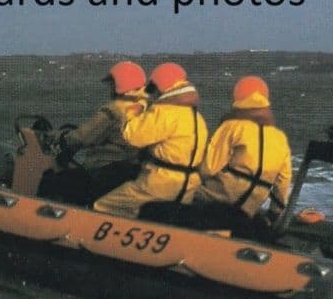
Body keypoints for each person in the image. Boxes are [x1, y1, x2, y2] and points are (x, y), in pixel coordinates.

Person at [93, 62, 208, 218]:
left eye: (153, 88)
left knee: (102, 206)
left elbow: (132, 136)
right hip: (188, 185)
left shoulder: (164, 112)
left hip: (159, 184)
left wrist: (136, 108)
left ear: (160, 86)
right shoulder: (196, 116)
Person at [39, 61, 149, 204]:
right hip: (131, 171)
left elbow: (82, 137)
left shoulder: (114, 110)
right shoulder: (146, 108)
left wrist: (58, 136)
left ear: (119, 84)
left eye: (112, 84)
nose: (110, 88)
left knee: (52, 181)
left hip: (106, 171)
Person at [196, 76, 291, 226]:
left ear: (238, 97)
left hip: (217, 200)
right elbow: (283, 182)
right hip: (249, 209)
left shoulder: (232, 126)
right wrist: (274, 212)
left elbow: (208, 168)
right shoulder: (280, 138)